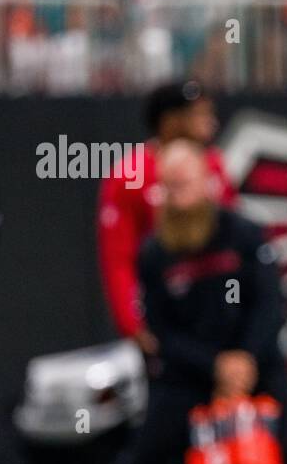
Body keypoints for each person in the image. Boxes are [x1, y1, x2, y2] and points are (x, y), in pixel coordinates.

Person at [41, 142, 287, 464]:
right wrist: (216, 366)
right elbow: (161, 332)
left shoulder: (246, 235)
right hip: (191, 372)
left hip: (255, 363)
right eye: (168, 187)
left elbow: (269, 306)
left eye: (184, 184)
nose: (177, 196)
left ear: (209, 184)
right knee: (140, 461)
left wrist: (245, 360)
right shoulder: (155, 252)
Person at [97, 80, 234, 353]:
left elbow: (234, 245)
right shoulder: (130, 176)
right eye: (200, 115)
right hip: (163, 310)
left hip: (214, 311)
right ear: (171, 120)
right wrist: (133, 324)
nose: (211, 124)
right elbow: (119, 259)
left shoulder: (215, 165)